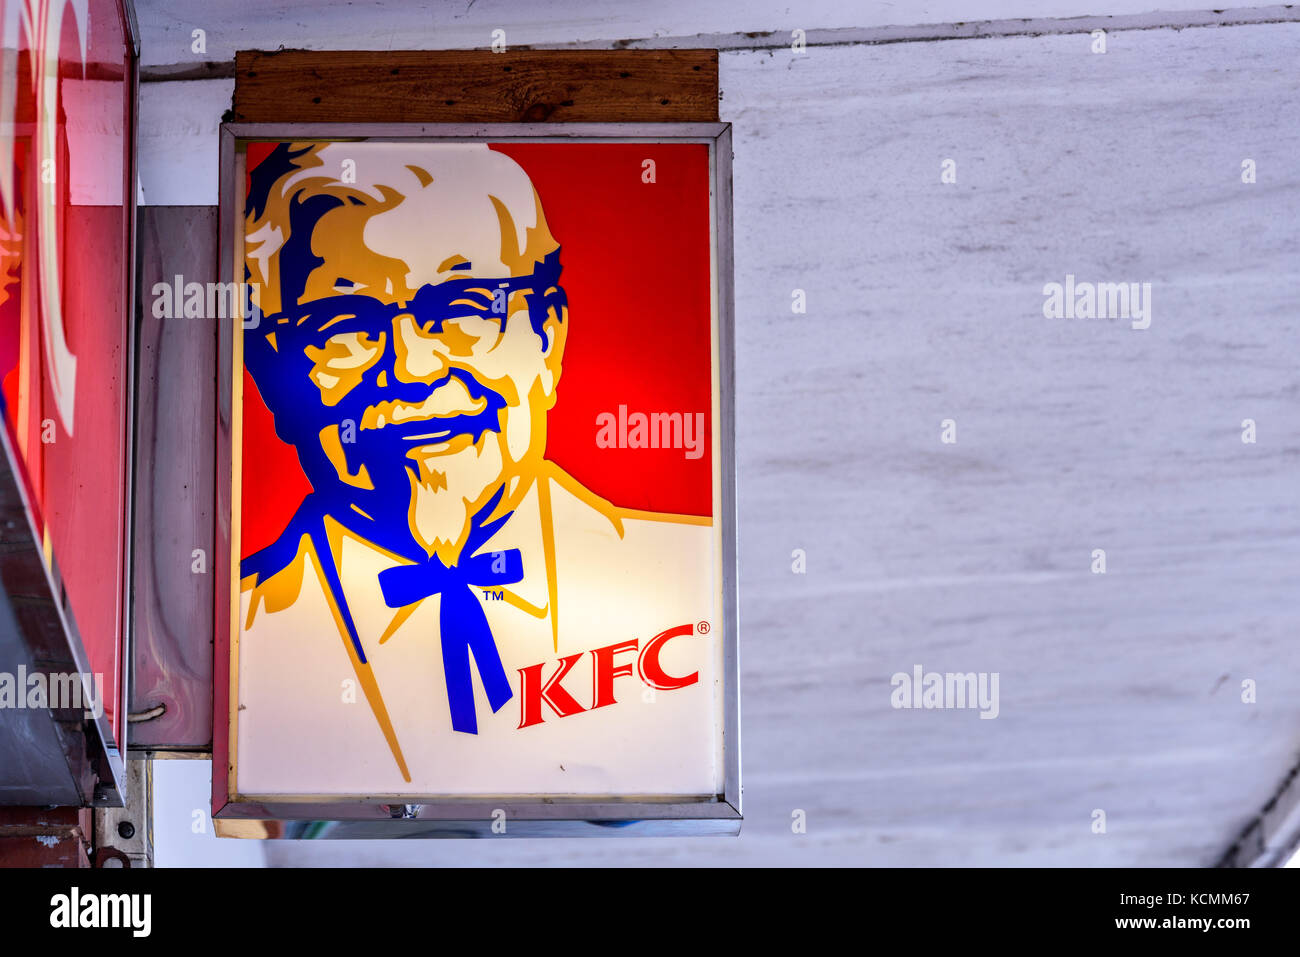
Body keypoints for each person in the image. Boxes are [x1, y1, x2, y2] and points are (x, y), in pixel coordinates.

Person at [234, 142, 718, 796]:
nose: (412, 368)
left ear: (548, 340)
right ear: (270, 380)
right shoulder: (233, 649)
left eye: (462, 308)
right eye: (342, 326)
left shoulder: (697, 588)